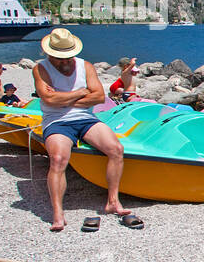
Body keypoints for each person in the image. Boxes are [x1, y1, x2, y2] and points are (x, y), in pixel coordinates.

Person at [32, 27, 141, 233]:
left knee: (115, 149)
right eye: (59, 58)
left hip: (86, 118)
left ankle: (112, 201)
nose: (64, 62)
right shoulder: (41, 69)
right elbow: (49, 100)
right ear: (50, 54)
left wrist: (64, 97)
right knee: (58, 159)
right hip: (57, 121)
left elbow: (99, 97)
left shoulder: (86, 66)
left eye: (68, 57)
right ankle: (58, 212)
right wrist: (81, 93)